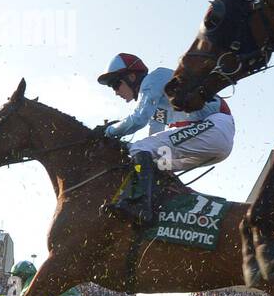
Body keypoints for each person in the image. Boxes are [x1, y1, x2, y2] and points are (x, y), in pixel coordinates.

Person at [96, 52, 235, 223]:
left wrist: (108, 132)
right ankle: (161, 205)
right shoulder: (157, 104)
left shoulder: (154, 78)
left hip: (215, 127)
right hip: (212, 139)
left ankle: (141, 206)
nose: (116, 92)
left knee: (139, 149)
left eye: (115, 85)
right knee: (155, 165)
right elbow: (154, 139)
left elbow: (139, 119)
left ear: (131, 77)